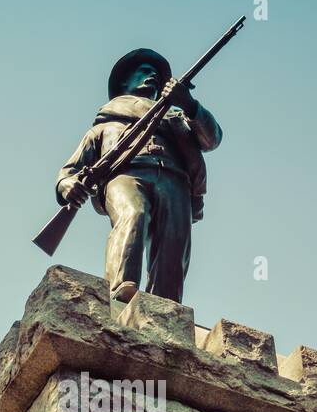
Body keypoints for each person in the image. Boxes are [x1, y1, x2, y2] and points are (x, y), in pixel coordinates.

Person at [55, 47, 222, 304]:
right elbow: (70, 170)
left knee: (174, 240)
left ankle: (165, 306)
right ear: (124, 82)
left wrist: (188, 103)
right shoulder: (106, 126)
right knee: (133, 213)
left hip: (175, 180)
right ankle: (121, 289)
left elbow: (212, 139)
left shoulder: (177, 119)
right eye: (144, 71)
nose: (152, 76)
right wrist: (68, 185)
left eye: (156, 74)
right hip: (126, 176)